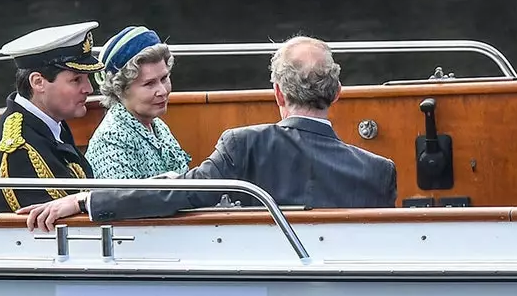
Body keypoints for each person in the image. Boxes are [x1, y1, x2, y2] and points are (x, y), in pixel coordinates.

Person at [23, 36, 397, 229]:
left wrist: (85, 201)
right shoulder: (380, 171)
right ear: (337, 93)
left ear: (278, 93)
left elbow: (180, 191)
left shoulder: (243, 145)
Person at [0, 21, 103, 213]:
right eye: (76, 80)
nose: (89, 89)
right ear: (38, 82)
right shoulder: (21, 150)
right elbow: (63, 226)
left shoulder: (48, 121)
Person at [86, 26, 191, 179]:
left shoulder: (156, 125)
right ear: (120, 89)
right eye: (149, 84)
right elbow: (119, 201)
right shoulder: (112, 140)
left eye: (164, 78)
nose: (162, 91)